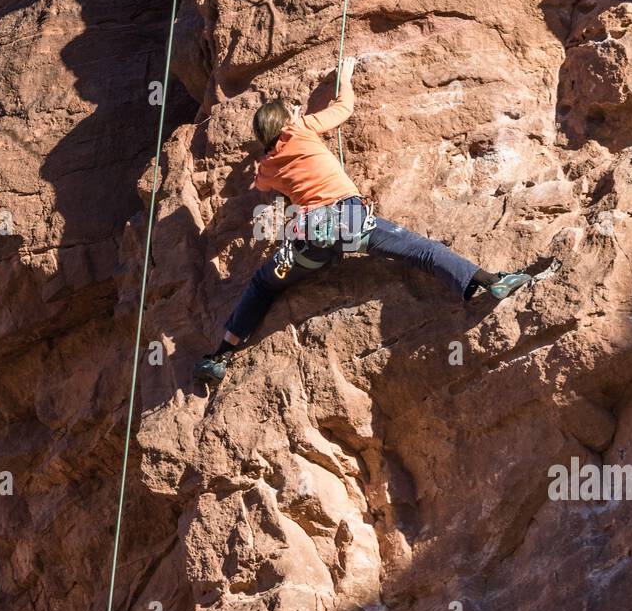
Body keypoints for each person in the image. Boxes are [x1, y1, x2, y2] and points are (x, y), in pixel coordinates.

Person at [194, 57, 532, 383]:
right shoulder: (301, 130)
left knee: (262, 285)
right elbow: (344, 108)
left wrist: (269, 156)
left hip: (311, 246)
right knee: (424, 252)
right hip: (350, 223)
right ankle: (490, 282)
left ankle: (219, 356)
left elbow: (260, 184)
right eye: (290, 114)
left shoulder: (267, 167)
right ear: (285, 122)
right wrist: (345, 76)